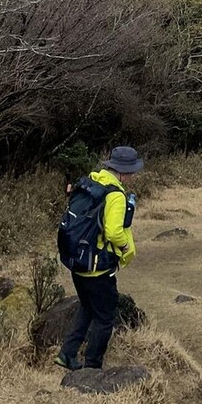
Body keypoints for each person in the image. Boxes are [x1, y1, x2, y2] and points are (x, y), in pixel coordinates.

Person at [56, 144, 144, 371]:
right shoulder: (115, 195)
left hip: (78, 262)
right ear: (123, 171)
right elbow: (114, 231)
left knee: (86, 307)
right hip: (98, 267)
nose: (133, 175)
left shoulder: (91, 183)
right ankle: (92, 368)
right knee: (105, 318)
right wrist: (125, 248)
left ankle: (67, 354)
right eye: (132, 171)